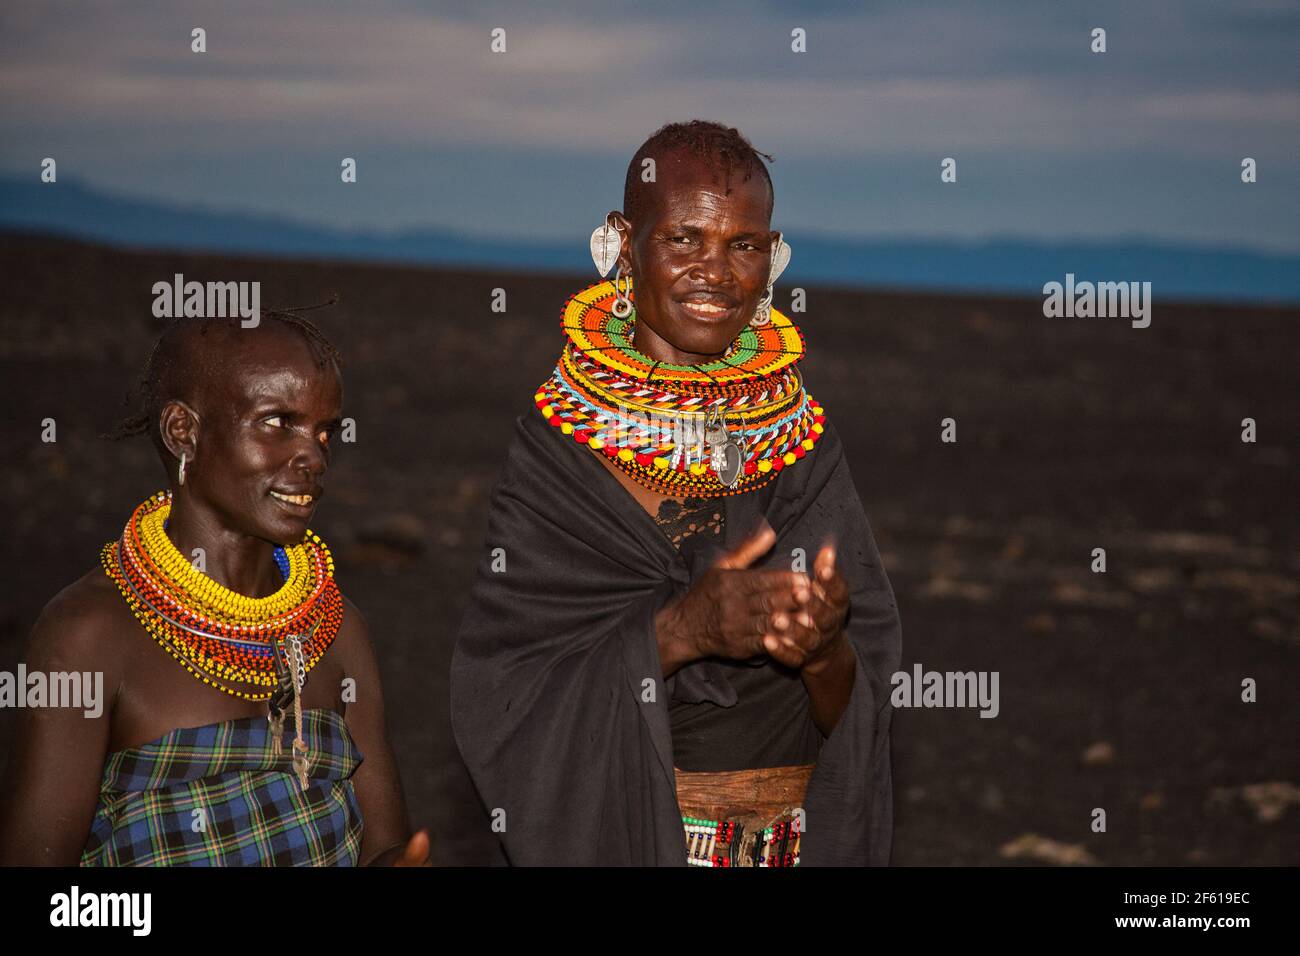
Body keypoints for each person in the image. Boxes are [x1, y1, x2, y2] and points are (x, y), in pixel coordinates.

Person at [451, 120, 902, 866]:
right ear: (625, 244)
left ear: (774, 255)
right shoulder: (561, 448)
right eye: (684, 239)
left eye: (744, 245)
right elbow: (505, 692)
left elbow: (857, 699)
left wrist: (822, 653)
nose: (716, 271)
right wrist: (684, 631)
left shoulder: (800, 441)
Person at [0, 310, 429, 866]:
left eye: (325, 432)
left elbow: (381, 848)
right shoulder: (89, 637)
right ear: (184, 431)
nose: (315, 457)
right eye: (278, 423)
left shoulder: (335, 628)